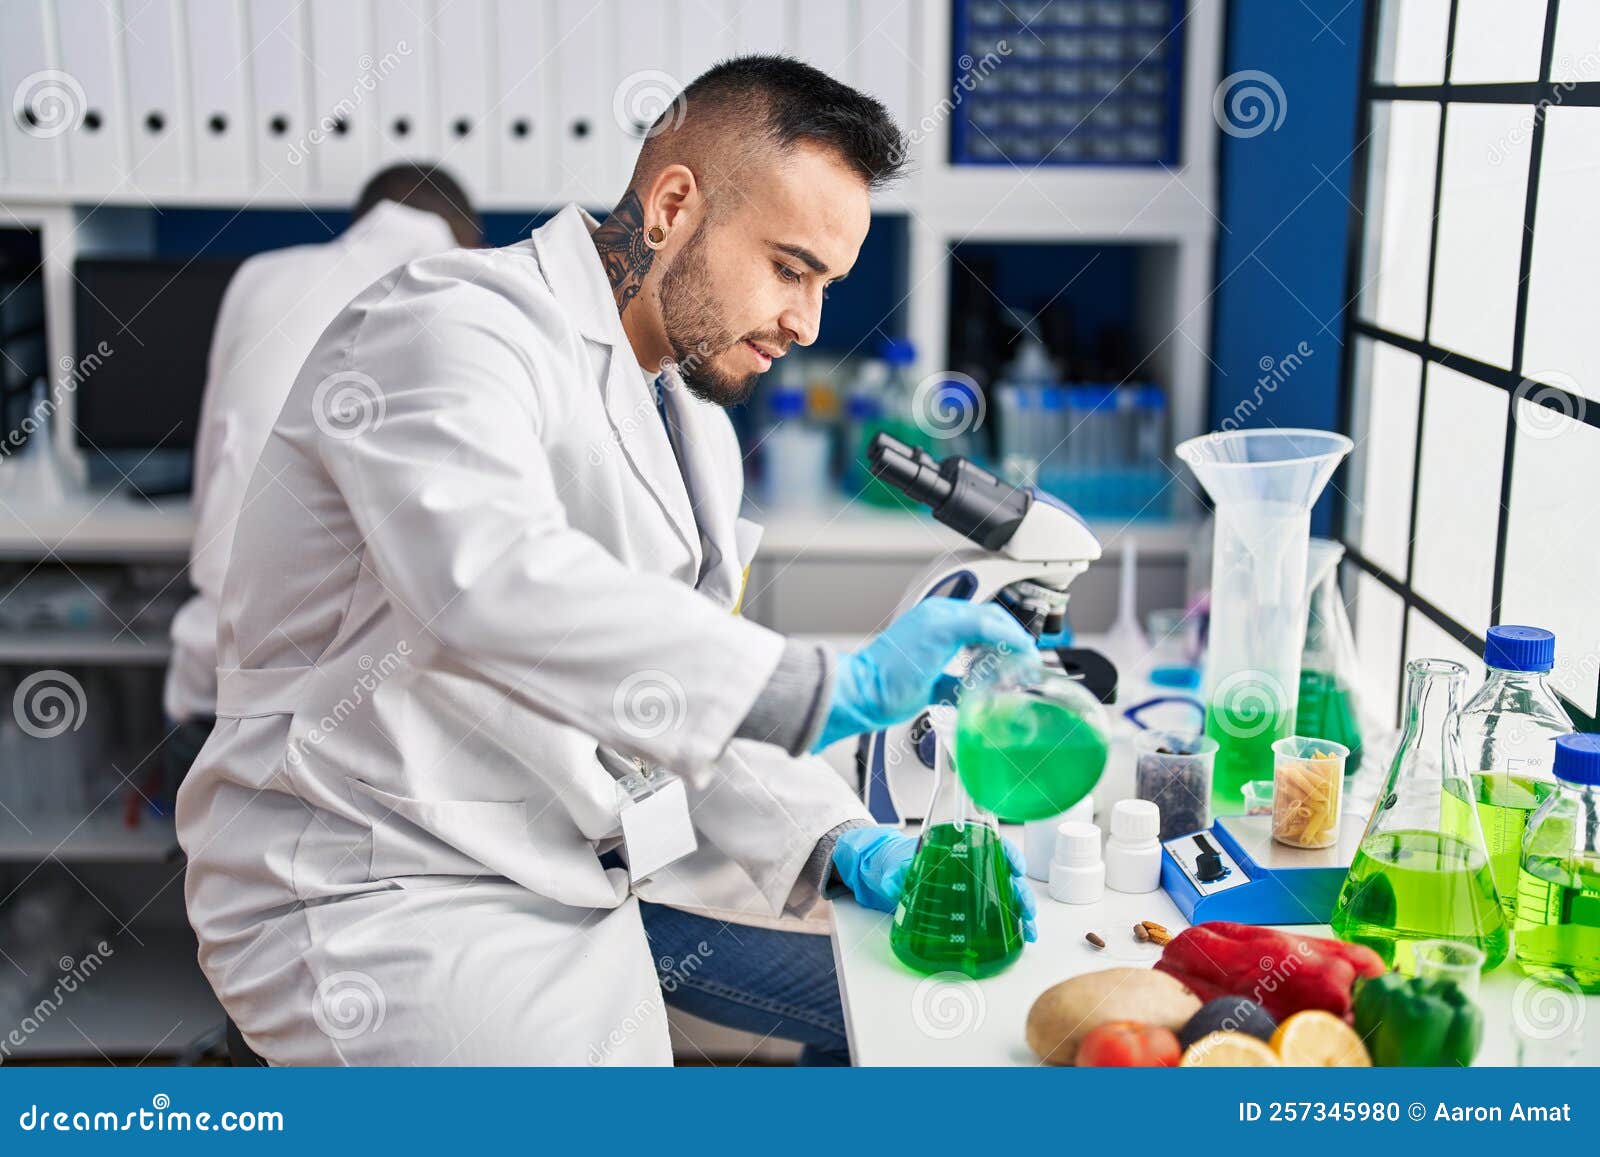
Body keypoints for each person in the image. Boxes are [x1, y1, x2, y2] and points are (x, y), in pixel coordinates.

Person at [175, 56, 1037, 1067]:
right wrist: (824, 682)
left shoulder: (690, 419)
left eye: (826, 285)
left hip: (561, 876)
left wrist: (833, 834)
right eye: (790, 268)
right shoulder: (447, 324)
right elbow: (489, 583)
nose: (807, 324)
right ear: (674, 204)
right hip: (382, 895)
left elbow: (665, 712)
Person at [162, 163, 482, 787]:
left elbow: (217, 466)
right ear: (471, 239)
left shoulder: (256, 278)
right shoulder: (467, 292)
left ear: (358, 222)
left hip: (212, 688)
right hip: (360, 727)